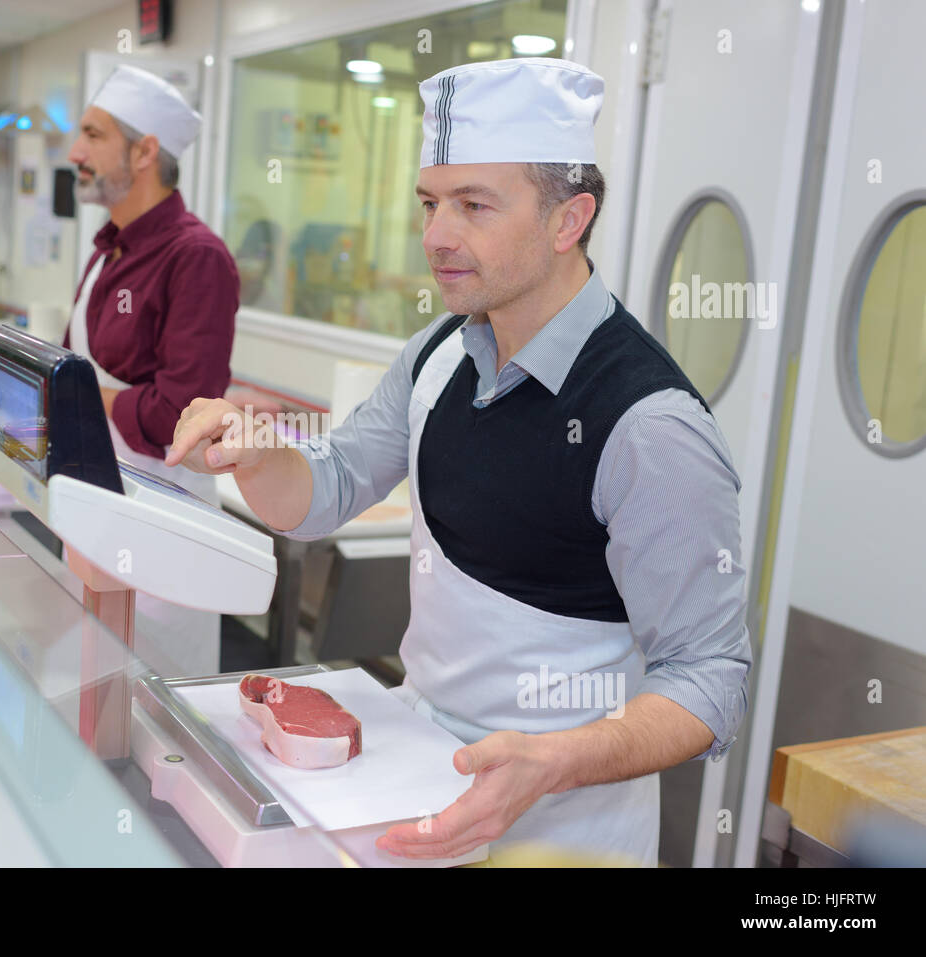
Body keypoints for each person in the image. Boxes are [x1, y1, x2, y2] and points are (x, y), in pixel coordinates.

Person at [166, 58, 752, 864]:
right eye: (431, 203)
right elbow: (329, 488)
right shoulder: (438, 354)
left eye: (474, 205)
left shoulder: (649, 423)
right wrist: (256, 451)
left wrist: (554, 761)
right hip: (417, 781)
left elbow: (710, 676)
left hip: (561, 831)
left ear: (567, 219)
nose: (437, 236)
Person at [66, 64, 240, 676]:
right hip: (96, 501)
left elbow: (175, 417)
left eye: (92, 134)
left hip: (164, 521)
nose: (75, 152)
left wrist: (82, 392)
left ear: (144, 152)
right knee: (91, 692)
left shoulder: (197, 258)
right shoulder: (109, 247)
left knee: (155, 719)